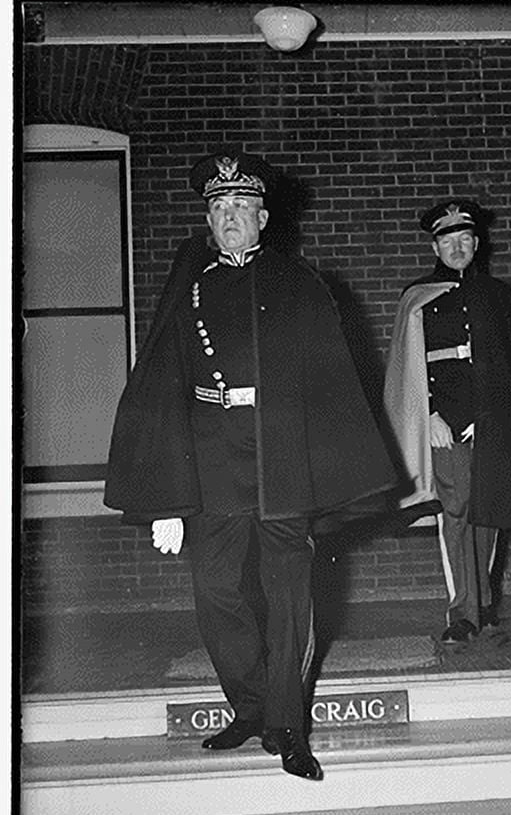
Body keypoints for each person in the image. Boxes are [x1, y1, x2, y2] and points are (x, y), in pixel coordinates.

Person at [104, 150, 396, 780]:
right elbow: (164, 382)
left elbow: (332, 386)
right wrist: (167, 498)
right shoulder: (192, 288)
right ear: (208, 221)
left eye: (240, 206)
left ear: (264, 217)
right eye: (218, 208)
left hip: (284, 461)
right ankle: (250, 703)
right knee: (214, 590)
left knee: (289, 596)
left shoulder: (303, 284)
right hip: (213, 462)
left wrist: (326, 477)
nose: (229, 217)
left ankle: (289, 726)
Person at [383, 199, 511, 645]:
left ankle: (483, 605)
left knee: (489, 513)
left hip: (490, 421)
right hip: (443, 422)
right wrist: (430, 413)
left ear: (477, 242)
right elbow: (409, 368)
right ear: (435, 246)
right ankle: (463, 613)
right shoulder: (417, 297)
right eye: (447, 239)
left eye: (464, 238)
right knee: (456, 512)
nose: (457, 246)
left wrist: (494, 417)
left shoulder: (500, 299)